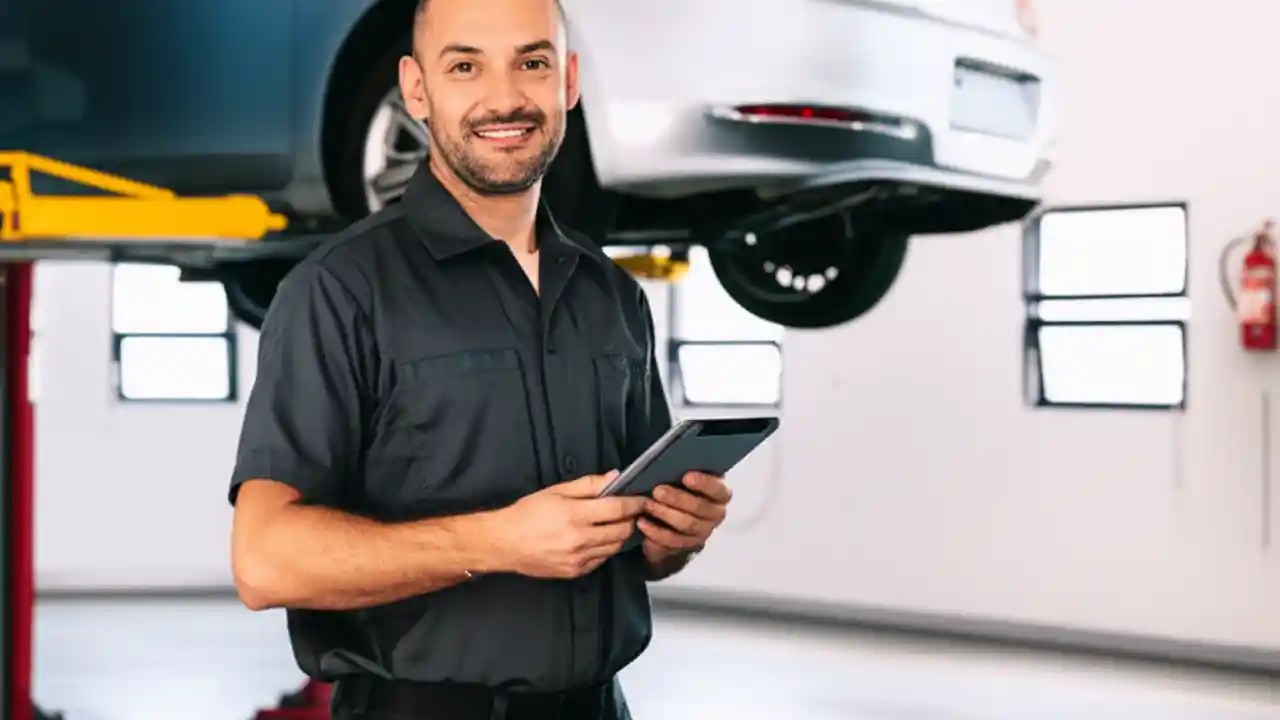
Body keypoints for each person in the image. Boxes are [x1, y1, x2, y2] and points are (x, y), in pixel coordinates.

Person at [226, 0, 735, 717]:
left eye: (532, 62)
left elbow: (641, 549)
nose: (504, 98)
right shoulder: (339, 290)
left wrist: (674, 534)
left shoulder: (612, 294)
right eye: (465, 65)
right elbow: (265, 561)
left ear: (570, 81)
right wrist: (498, 542)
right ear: (415, 89)